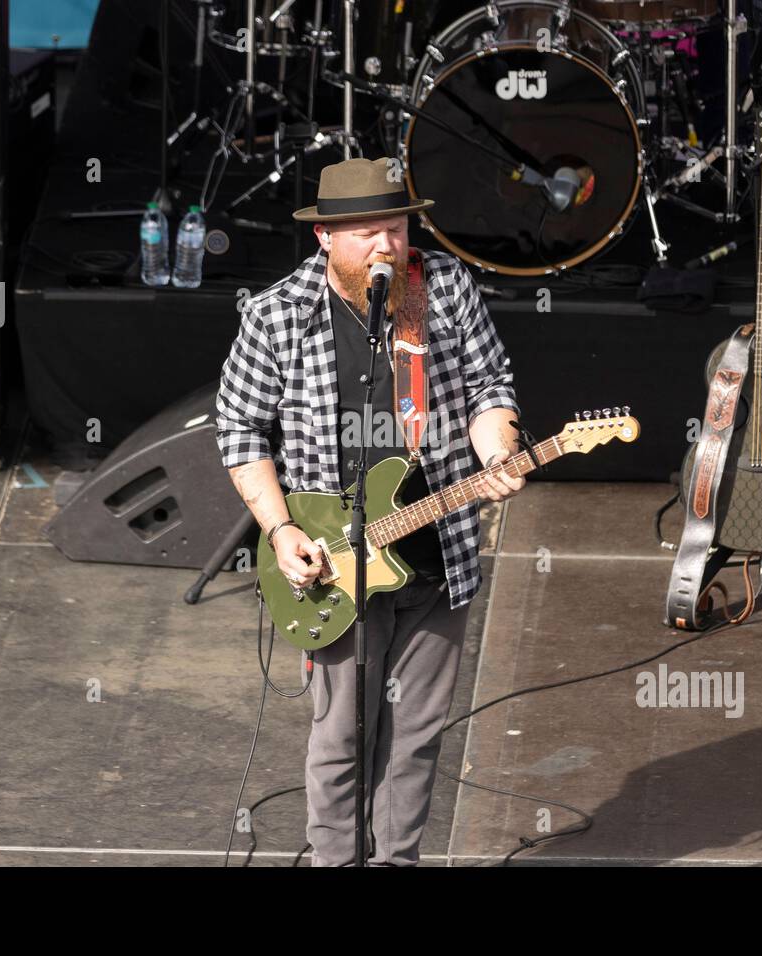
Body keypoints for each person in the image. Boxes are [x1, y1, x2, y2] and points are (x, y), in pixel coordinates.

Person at [215, 156, 524, 866]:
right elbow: (238, 429)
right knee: (342, 739)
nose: (387, 244)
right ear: (324, 236)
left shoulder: (442, 289)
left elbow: (488, 386)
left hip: (435, 551)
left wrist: (498, 448)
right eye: (366, 232)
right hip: (335, 564)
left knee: (415, 739)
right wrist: (281, 528)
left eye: (396, 226)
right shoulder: (276, 316)